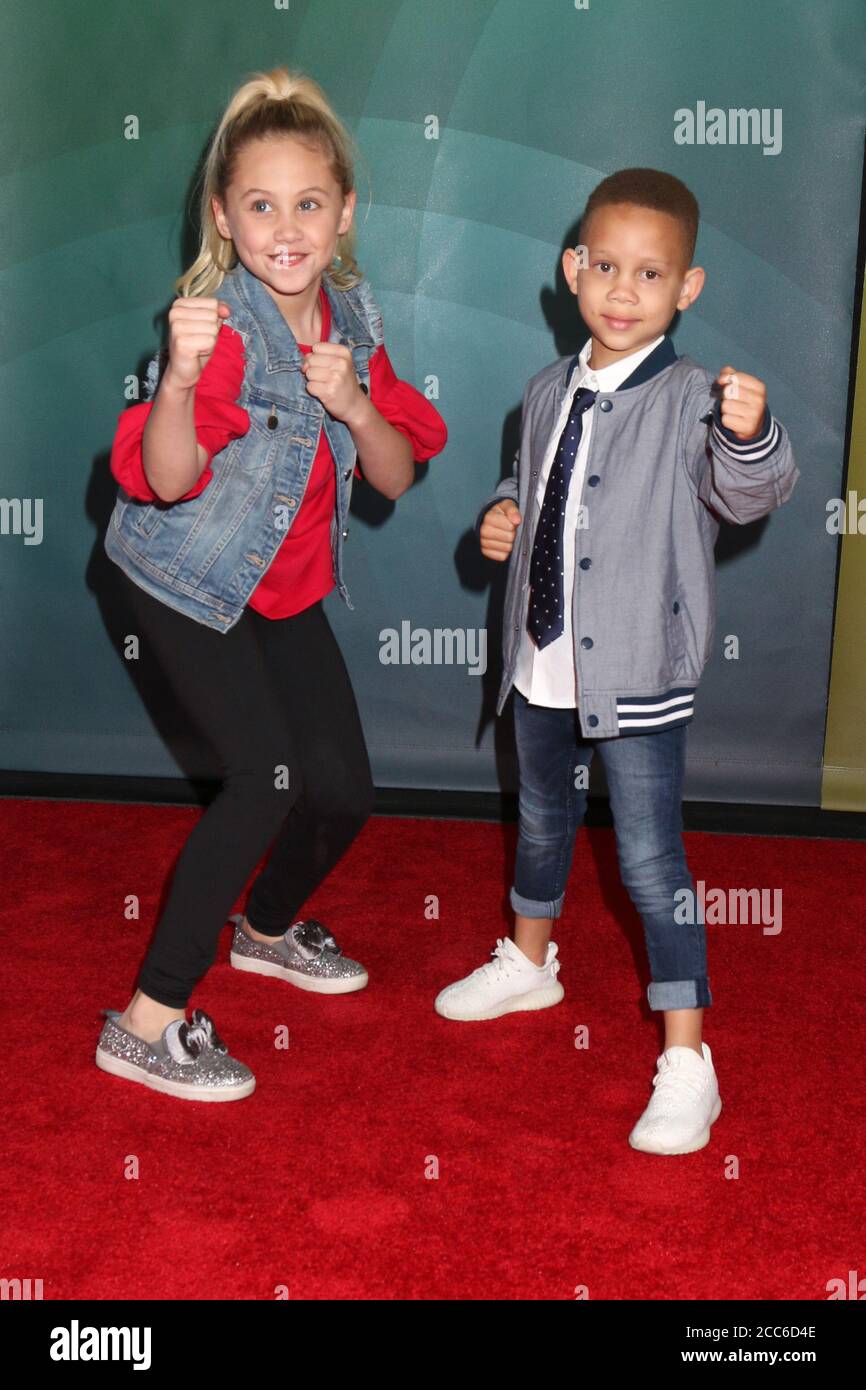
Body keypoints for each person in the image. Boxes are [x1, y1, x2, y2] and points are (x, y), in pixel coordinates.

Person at [96, 67, 447, 1102]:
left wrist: (357, 406)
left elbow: (392, 474)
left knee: (342, 789)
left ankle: (265, 930)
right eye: (259, 204)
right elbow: (163, 480)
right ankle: (144, 1023)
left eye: (306, 203)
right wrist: (176, 378)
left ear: (344, 213)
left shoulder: (354, 319)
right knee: (267, 778)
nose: (284, 228)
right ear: (222, 216)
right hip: (175, 576)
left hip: (274, 590)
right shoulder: (222, 328)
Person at [435, 168, 799, 1155]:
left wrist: (748, 430)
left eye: (650, 273)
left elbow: (748, 491)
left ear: (687, 289)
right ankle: (528, 959)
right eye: (605, 266)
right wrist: (503, 516)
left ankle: (688, 1057)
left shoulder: (690, 400)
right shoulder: (545, 386)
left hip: (633, 668)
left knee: (649, 861)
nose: (623, 289)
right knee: (540, 820)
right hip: (537, 663)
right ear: (570, 270)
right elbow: (532, 479)